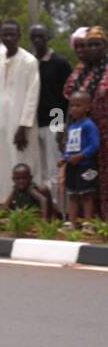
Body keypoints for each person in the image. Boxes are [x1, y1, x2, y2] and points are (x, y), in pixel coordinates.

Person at [0, 20, 40, 208]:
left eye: (12, 34)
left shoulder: (29, 61)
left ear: (19, 36)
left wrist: (23, 126)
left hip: (22, 125)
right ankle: (3, 206)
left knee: (23, 163)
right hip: (1, 121)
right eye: (5, 34)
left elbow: (33, 95)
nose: (8, 38)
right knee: (3, 164)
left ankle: (27, 208)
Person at [62, 26, 108, 218]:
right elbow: (59, 104)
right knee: (85, 177)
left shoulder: (106, 70)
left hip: (104, 135)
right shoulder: (77, 73)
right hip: (79, 136)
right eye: (87, 45)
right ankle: (86, 218)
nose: (90, 49)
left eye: (96, 45)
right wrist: (59, 128)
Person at [29, 25, 71, 202]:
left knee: (55, 167)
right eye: (34, 37)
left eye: (41, 36)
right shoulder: (30, 62)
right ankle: (46, 209)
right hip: (34, 121)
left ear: (48, 38)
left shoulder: (59, 63)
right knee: (40, 170)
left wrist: (61, 126)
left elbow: (65, 98)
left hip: (54, 118)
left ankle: (61, 210)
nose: (38, 40)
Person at [60, 90, 100, 223]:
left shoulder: (89, 125)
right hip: (72, 166)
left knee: (87, 195)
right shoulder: (71, 127)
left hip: (86, 166)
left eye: (78, 105)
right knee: (72, 194)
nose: (74, 109)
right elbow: (69, 146)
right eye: (72, 105)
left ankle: (88, 223)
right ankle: (72, 222)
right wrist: (64, 158)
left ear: (87, 107)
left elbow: (94, 145)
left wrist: (81, 156)